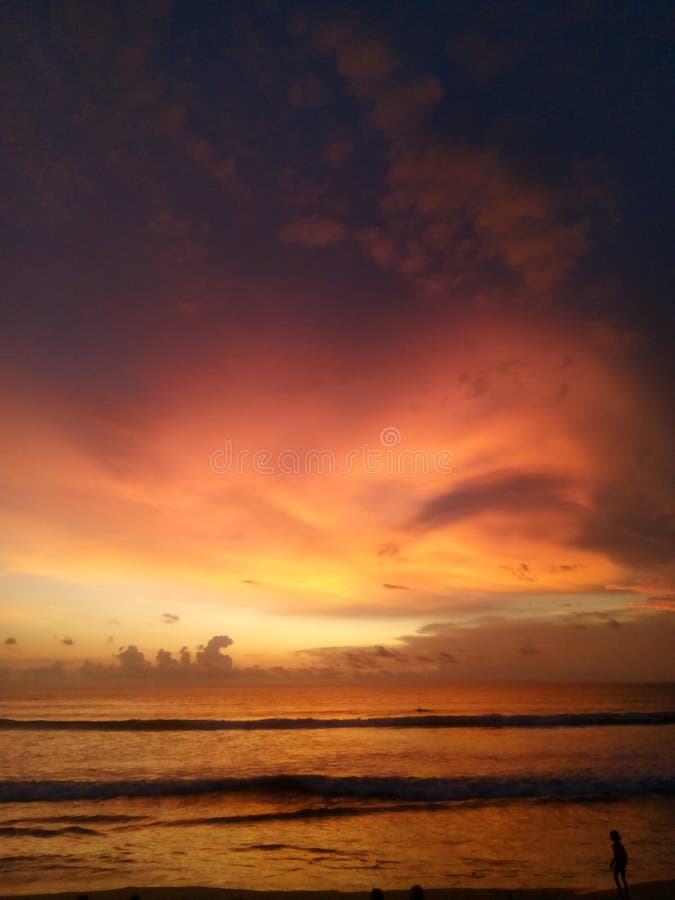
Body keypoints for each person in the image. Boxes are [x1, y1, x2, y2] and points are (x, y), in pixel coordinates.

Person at [609, 829, 629, 898]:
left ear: (614, 837)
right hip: (620, 862)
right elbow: (617, 855)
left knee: (618, 876)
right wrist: (612, 862)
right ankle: (623, 891)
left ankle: (622, 891)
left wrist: (612, 863)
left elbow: (619, 854)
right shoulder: (616, 845)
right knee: (620, 877)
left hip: (620, 862)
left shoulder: (617, 845)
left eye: (611, 836)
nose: (611, 838)